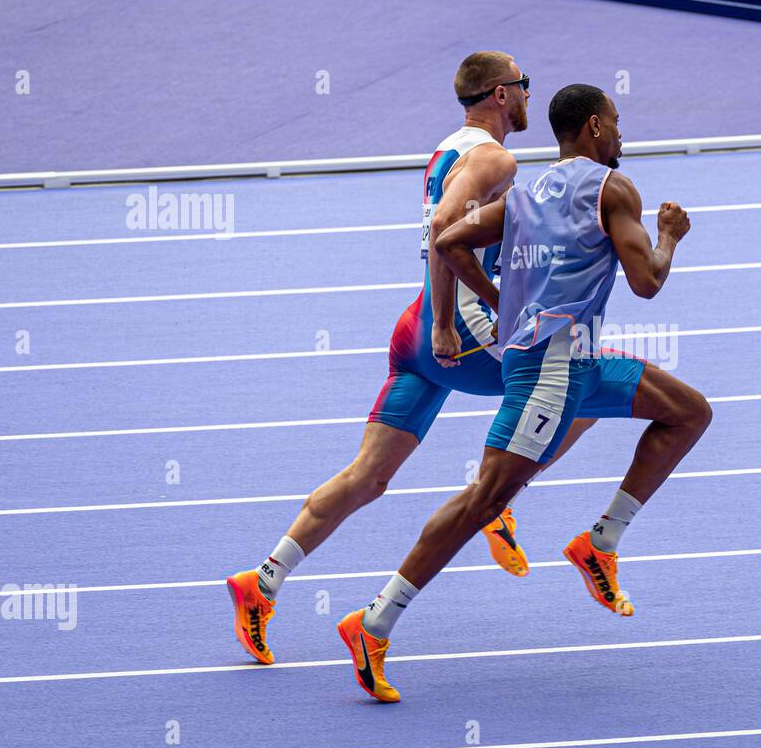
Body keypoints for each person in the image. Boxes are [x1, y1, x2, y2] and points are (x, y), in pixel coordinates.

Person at [337, 83, 713, 702]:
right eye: (617, 122)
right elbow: (647, 283)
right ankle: (373, 623)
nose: (622, 134)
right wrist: (670, 234)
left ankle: (599, 544)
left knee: (688, 413)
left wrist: (503, 305)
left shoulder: (524, 194)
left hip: (577, 363)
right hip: (550, 375)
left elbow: (450, 240)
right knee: (483, 502)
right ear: (593, 127)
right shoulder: (613, 189)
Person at [225, 53, 597, 665]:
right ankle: (495, 499)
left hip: (414, 329)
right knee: (581, 382)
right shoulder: (495, 157)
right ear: (502, 95)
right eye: (525, 87)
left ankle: (261, 581)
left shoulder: (449, 147)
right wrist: (453, 323)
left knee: (367, 477)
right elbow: (443, 234)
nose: (532, 95)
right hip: (454, 328)